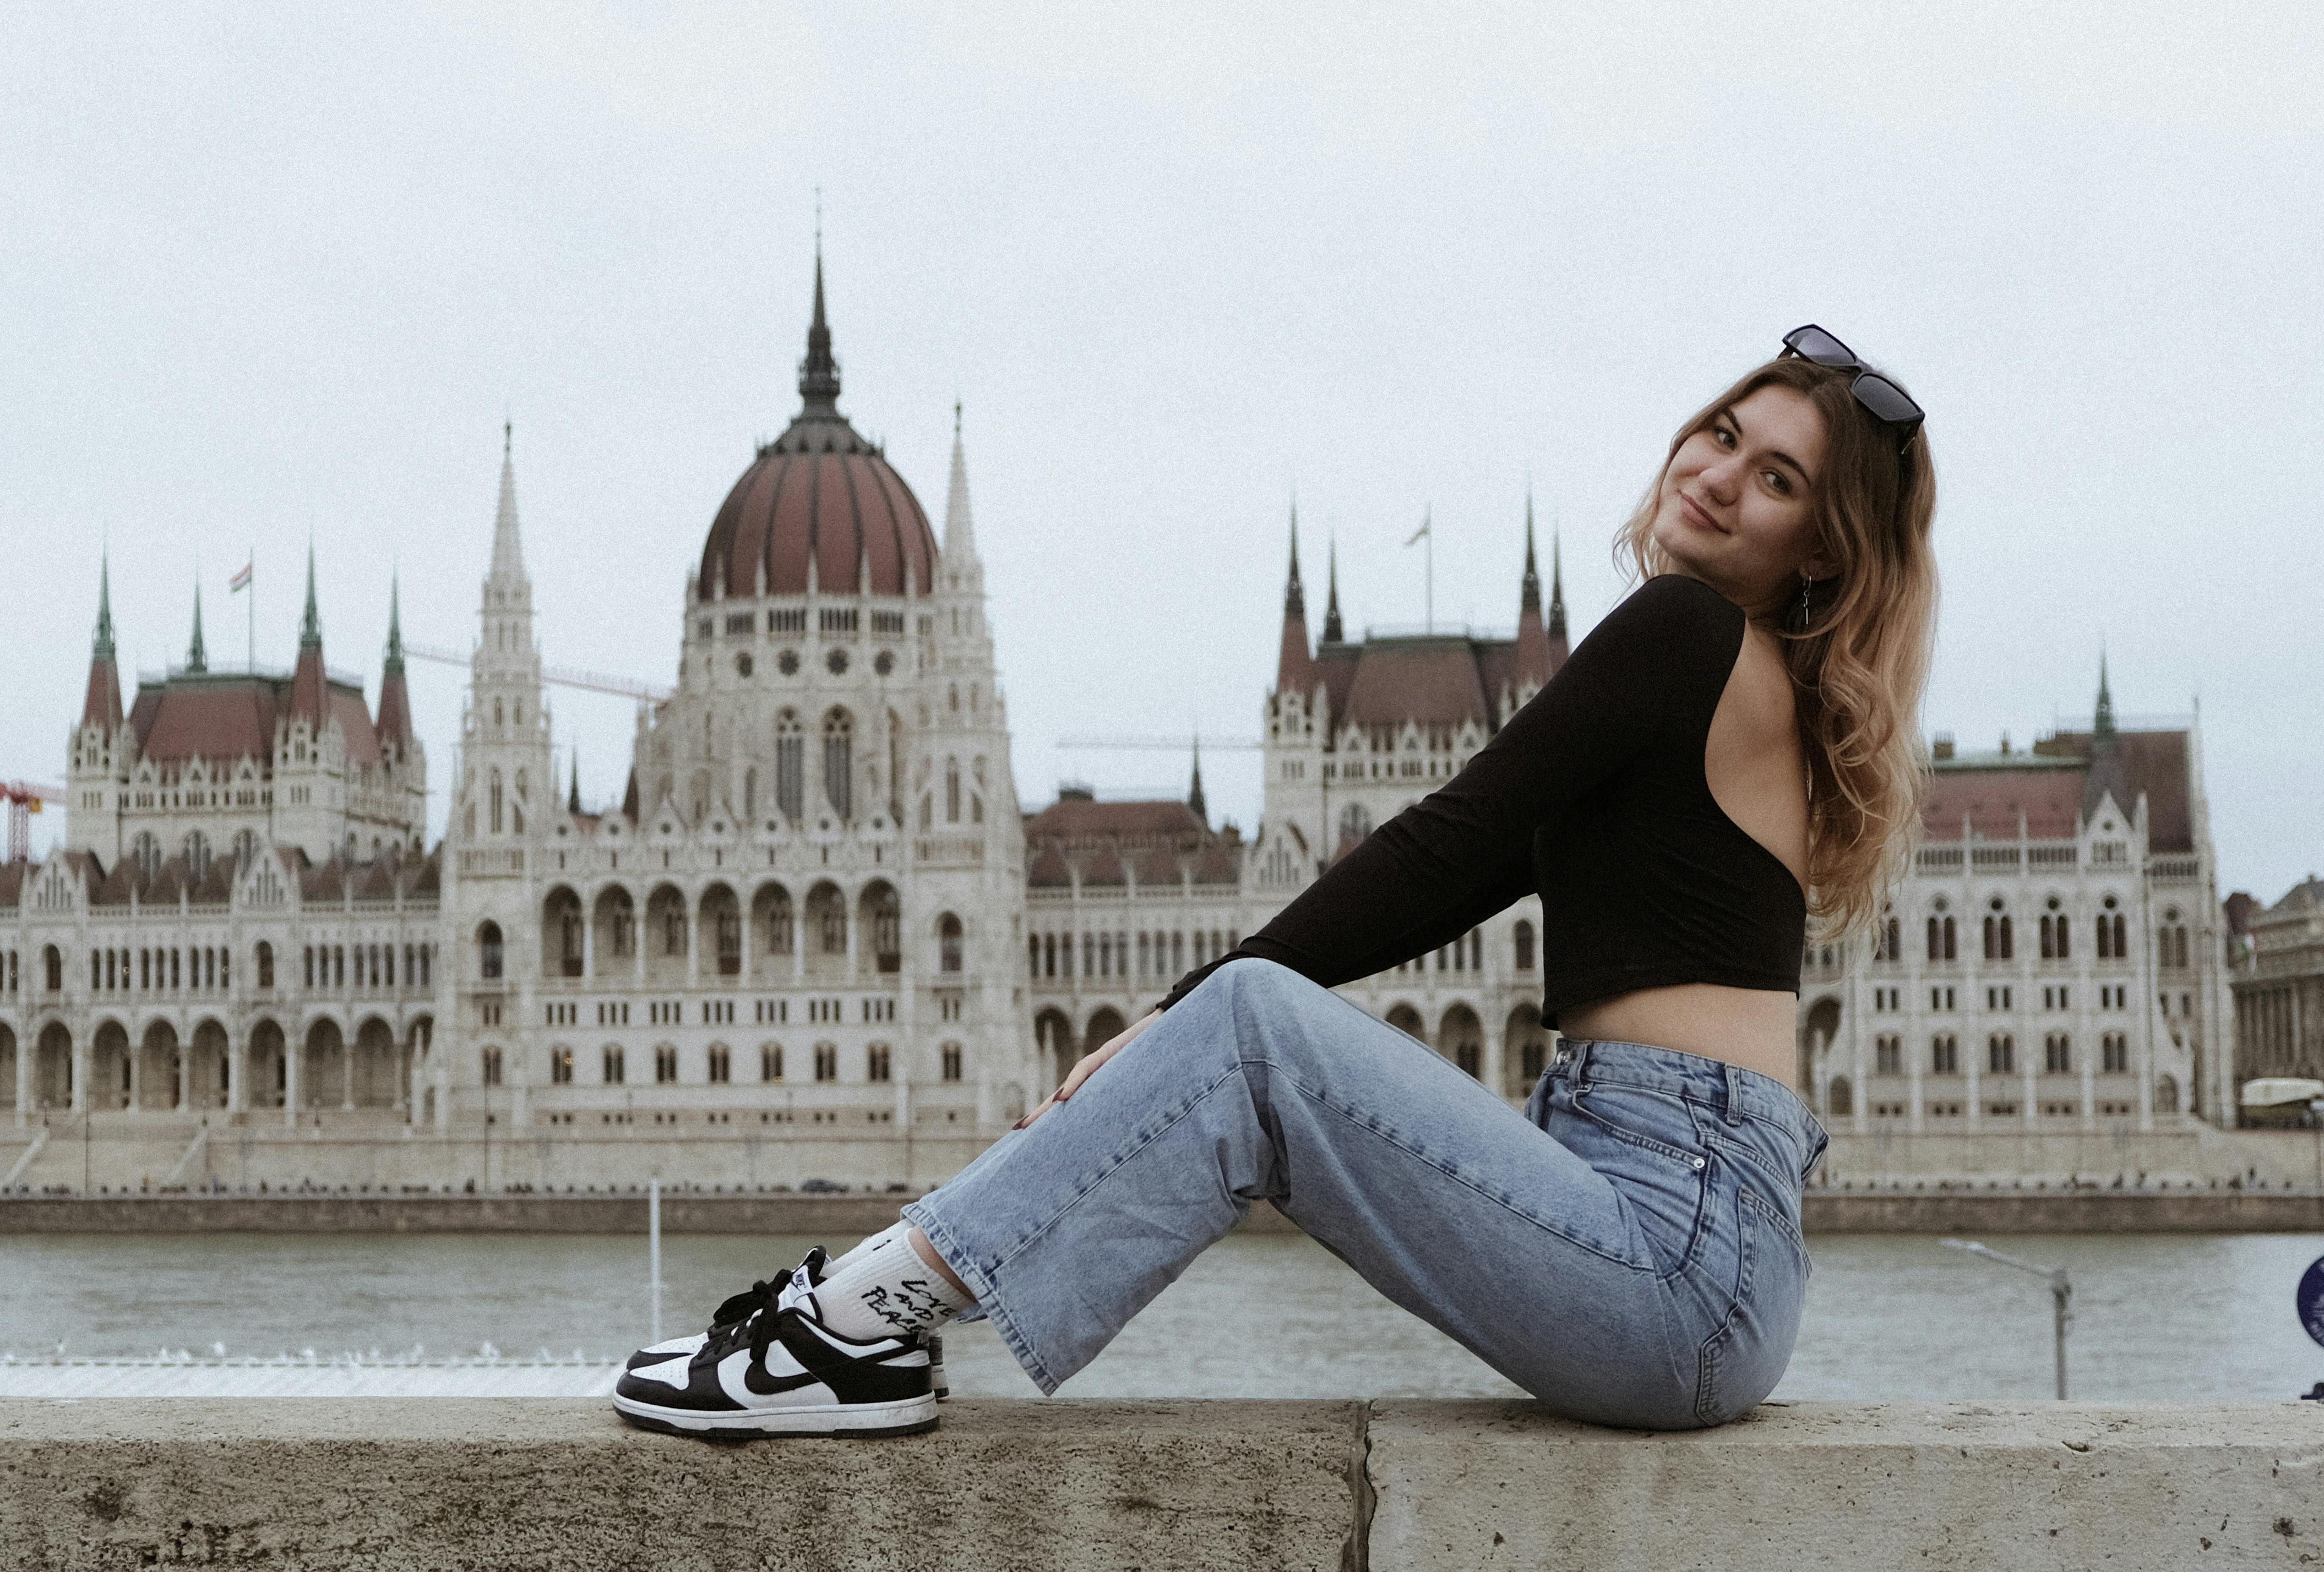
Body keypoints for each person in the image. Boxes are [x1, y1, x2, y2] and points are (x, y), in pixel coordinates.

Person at [614, 328, 1936, 1438]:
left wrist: (1190, 1009)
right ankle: (880, 1318)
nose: (1716, 476)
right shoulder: (1749, 676)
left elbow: (1457, 839)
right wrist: (1192, 1029)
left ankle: (849, 1324)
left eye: (1774, 480)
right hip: (1698, 1244)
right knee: (1248, 1039)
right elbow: (1463, 881)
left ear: (1820, 549)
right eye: (1720, 435)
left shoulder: (1687, 631)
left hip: (1676, 1248)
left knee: (1251, 1022)